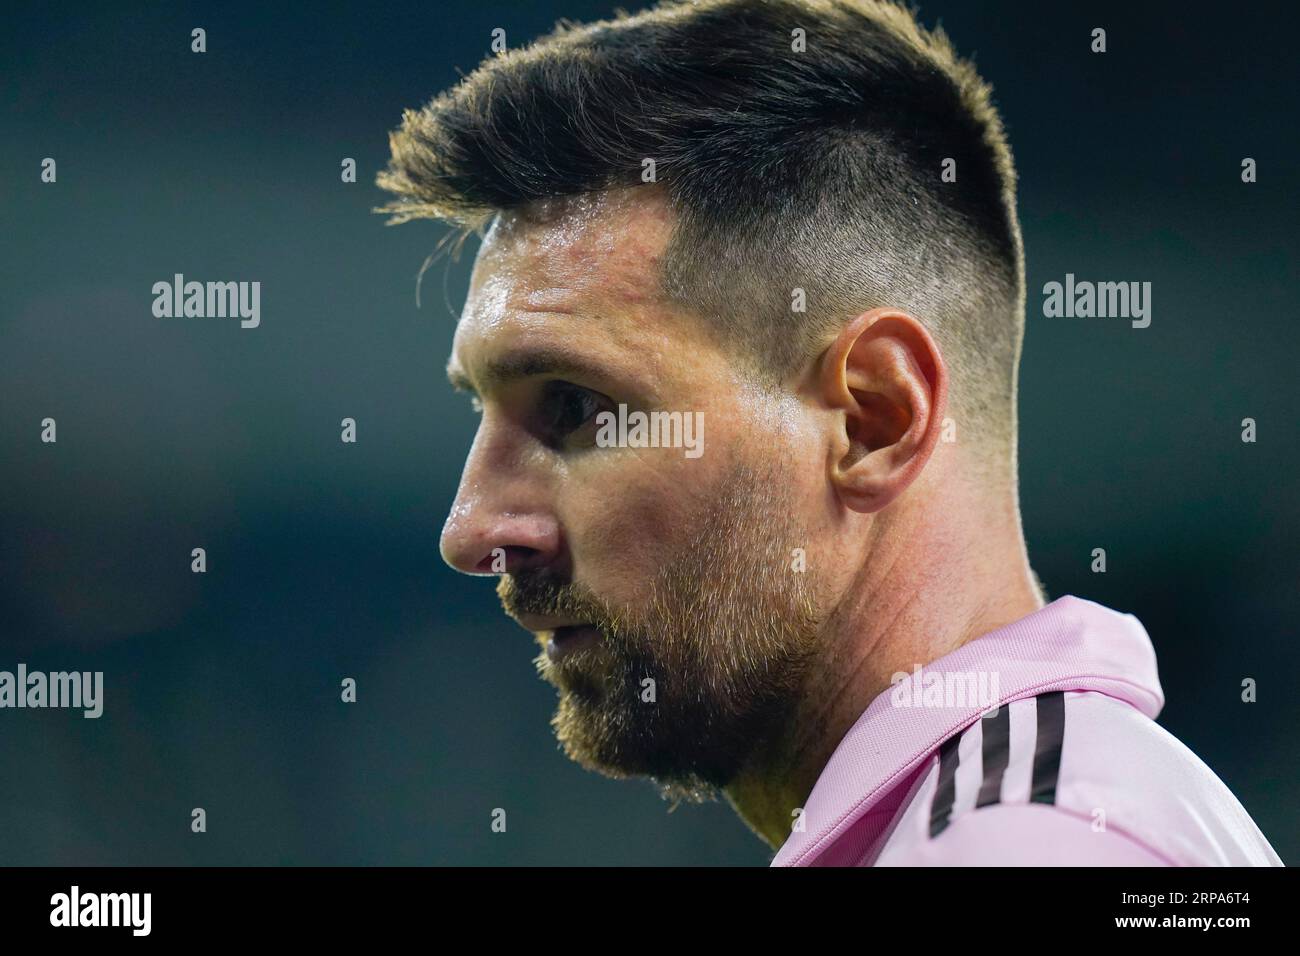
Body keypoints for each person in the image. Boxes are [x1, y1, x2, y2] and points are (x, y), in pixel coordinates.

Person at [375, 0, 1282, 865]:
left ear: (875, 419)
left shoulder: (1022, 842)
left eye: (572, 407)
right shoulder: (1036, 813)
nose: (472, 529)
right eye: (480, 408)